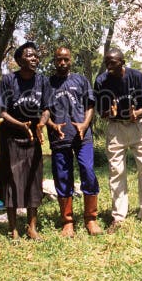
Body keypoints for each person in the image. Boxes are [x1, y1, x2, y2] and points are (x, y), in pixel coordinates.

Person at [93, 48, 142, 232]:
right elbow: (102, 112)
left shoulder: (136, 76)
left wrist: (134, 114)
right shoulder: (101, 81)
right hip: (116, 128)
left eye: (112, 63)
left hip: (138, 127)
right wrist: (110, 113)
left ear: (122, 62)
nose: (108, 66)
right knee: (116, 172)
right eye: (107, 63)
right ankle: (118, 217)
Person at [46, 46, 102, 236]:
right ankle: (67, 222)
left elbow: (90, 105)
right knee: (62, 176)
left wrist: (85, 125)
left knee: (87, 170)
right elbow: (43, 110)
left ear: (71, 60)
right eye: (58, 59)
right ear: (54, 61)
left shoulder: (81, 80)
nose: (62, 63)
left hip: (82, 136)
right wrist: (53, 125)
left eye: (66, 59)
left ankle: (91, 219)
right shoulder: (48, 83)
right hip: (59, 137)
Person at [0, 42, 50, 240]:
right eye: (30, 56)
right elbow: (2, 111)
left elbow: (46, 108)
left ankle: (31, 227)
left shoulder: (42, 81)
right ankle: (13, 229)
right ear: (19, 60)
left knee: (33, 180)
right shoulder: (9, 80)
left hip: (33, 137)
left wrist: (40, 125)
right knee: (12, 179)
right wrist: (20, 125)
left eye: (36, 56)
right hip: (11, 136)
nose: (35, 58)